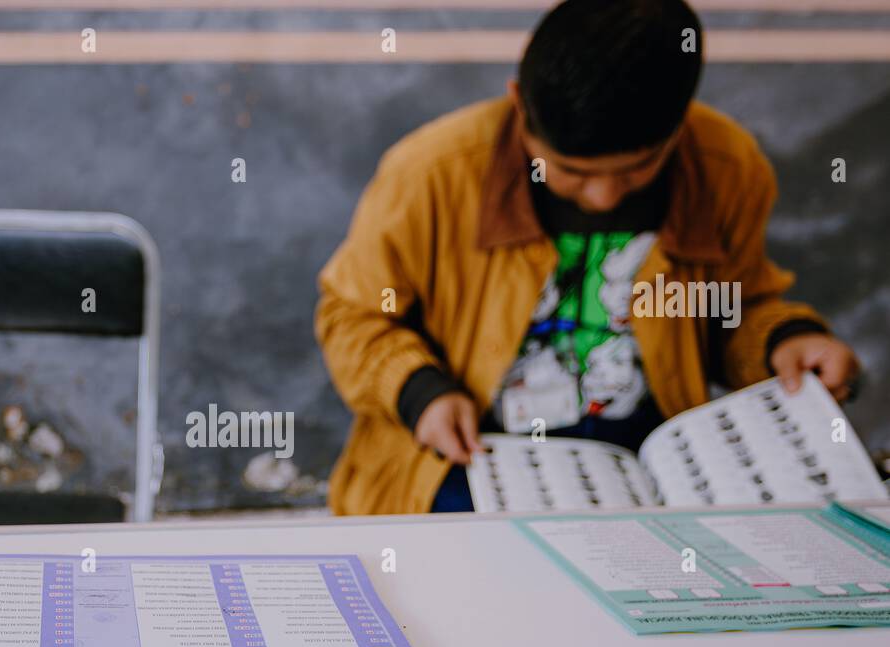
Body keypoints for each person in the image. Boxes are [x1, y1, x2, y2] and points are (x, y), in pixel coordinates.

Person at [314, 0, 861, 515]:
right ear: (518, 103)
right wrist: (420, 392)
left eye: (637, 169)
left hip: (647, 452)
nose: (604, 196)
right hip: (466, 453)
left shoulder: (726, 165)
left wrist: (784, 342)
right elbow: (353, 315)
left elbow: (732, 312)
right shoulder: (432, 174)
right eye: (571, 172)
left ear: (679, 127)